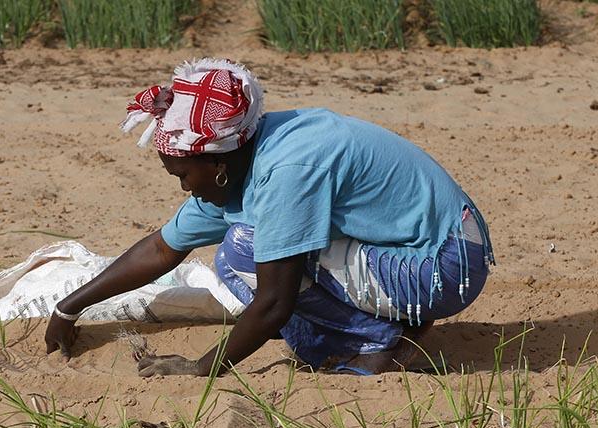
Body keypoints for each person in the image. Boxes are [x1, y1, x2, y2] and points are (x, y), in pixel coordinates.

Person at [44, 58, 494, 377]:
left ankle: (377, 342)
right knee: (248, 249)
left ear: (217, 165)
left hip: (444, 267)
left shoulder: (287, 170)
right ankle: (387, 327)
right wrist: (70, 306)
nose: (183, 187)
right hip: (422, 252)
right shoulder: (246, 156)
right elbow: (163, 248)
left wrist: (203, 369)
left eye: (182, 175)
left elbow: (274, 302)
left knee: (244, 250)